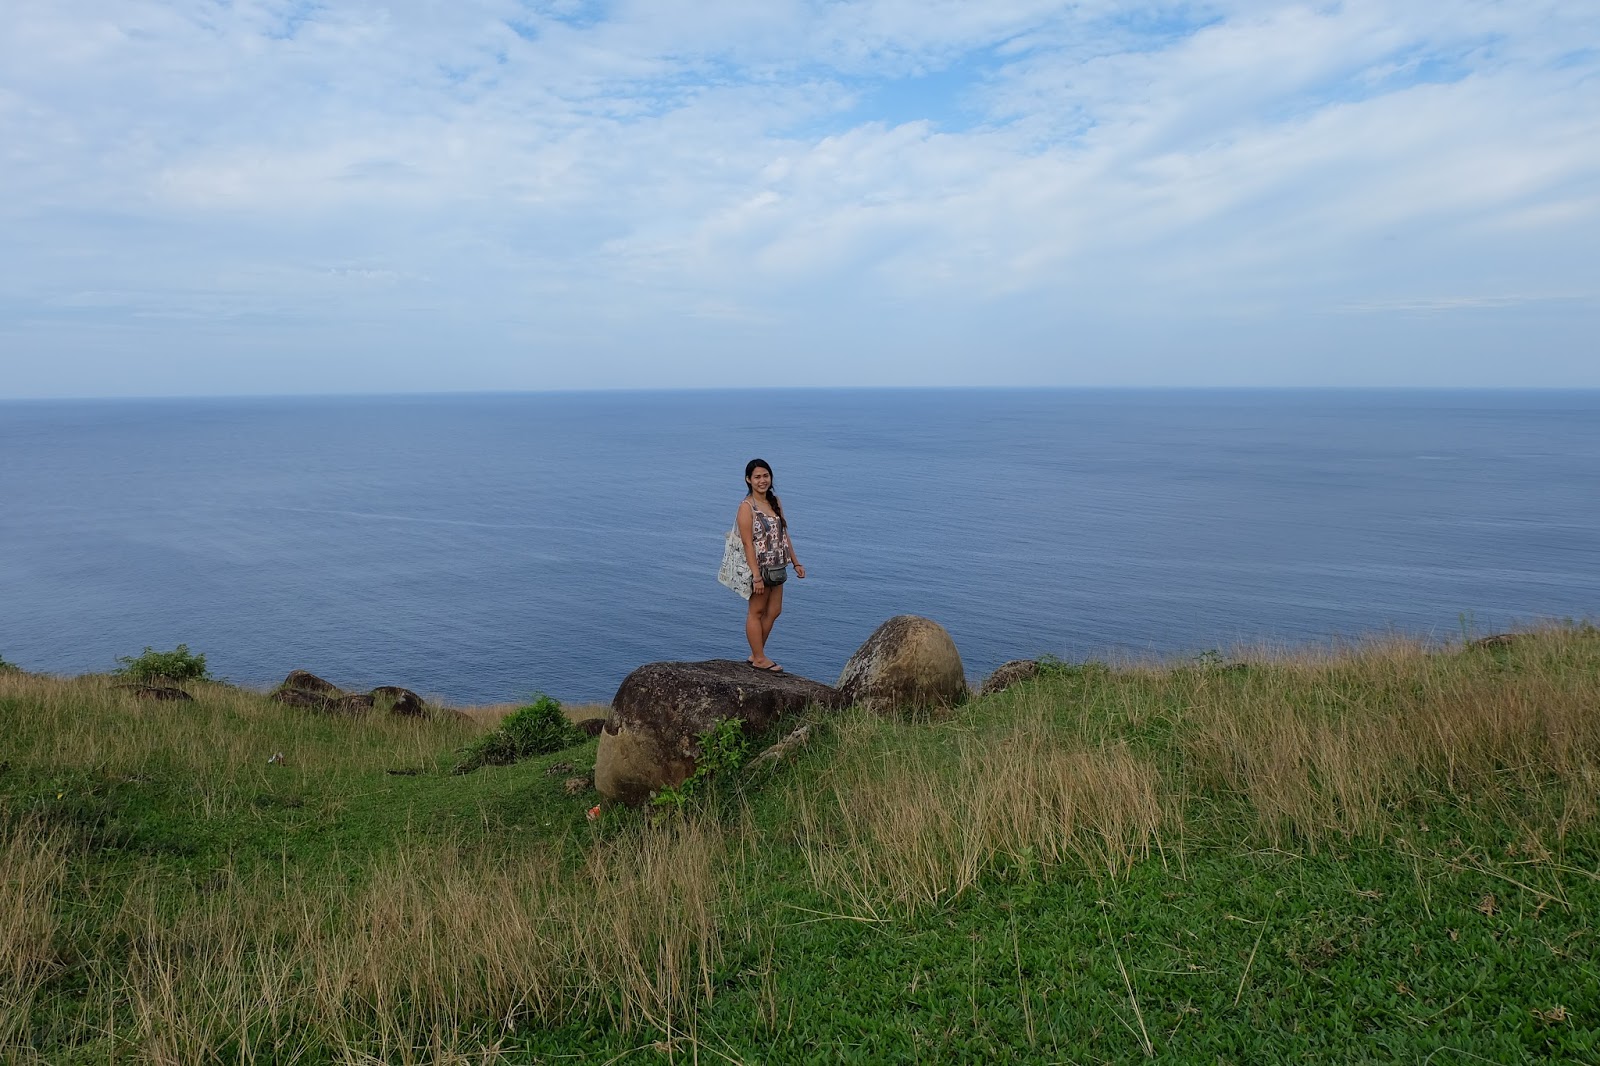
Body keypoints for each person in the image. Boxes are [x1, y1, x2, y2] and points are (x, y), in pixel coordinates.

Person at [736, 458, 806, 672]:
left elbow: (785, 535)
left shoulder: (775, 501)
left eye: (765, 475)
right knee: (756, 611)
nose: (762, 480)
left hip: (777, 567)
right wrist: (756, 576)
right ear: (748, 479)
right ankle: (759, 658)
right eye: (757, 477)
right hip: (759, 568)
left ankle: (756, 654)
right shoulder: (746, 507)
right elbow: (748, 543)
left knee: (774, 610)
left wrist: (795, 562)